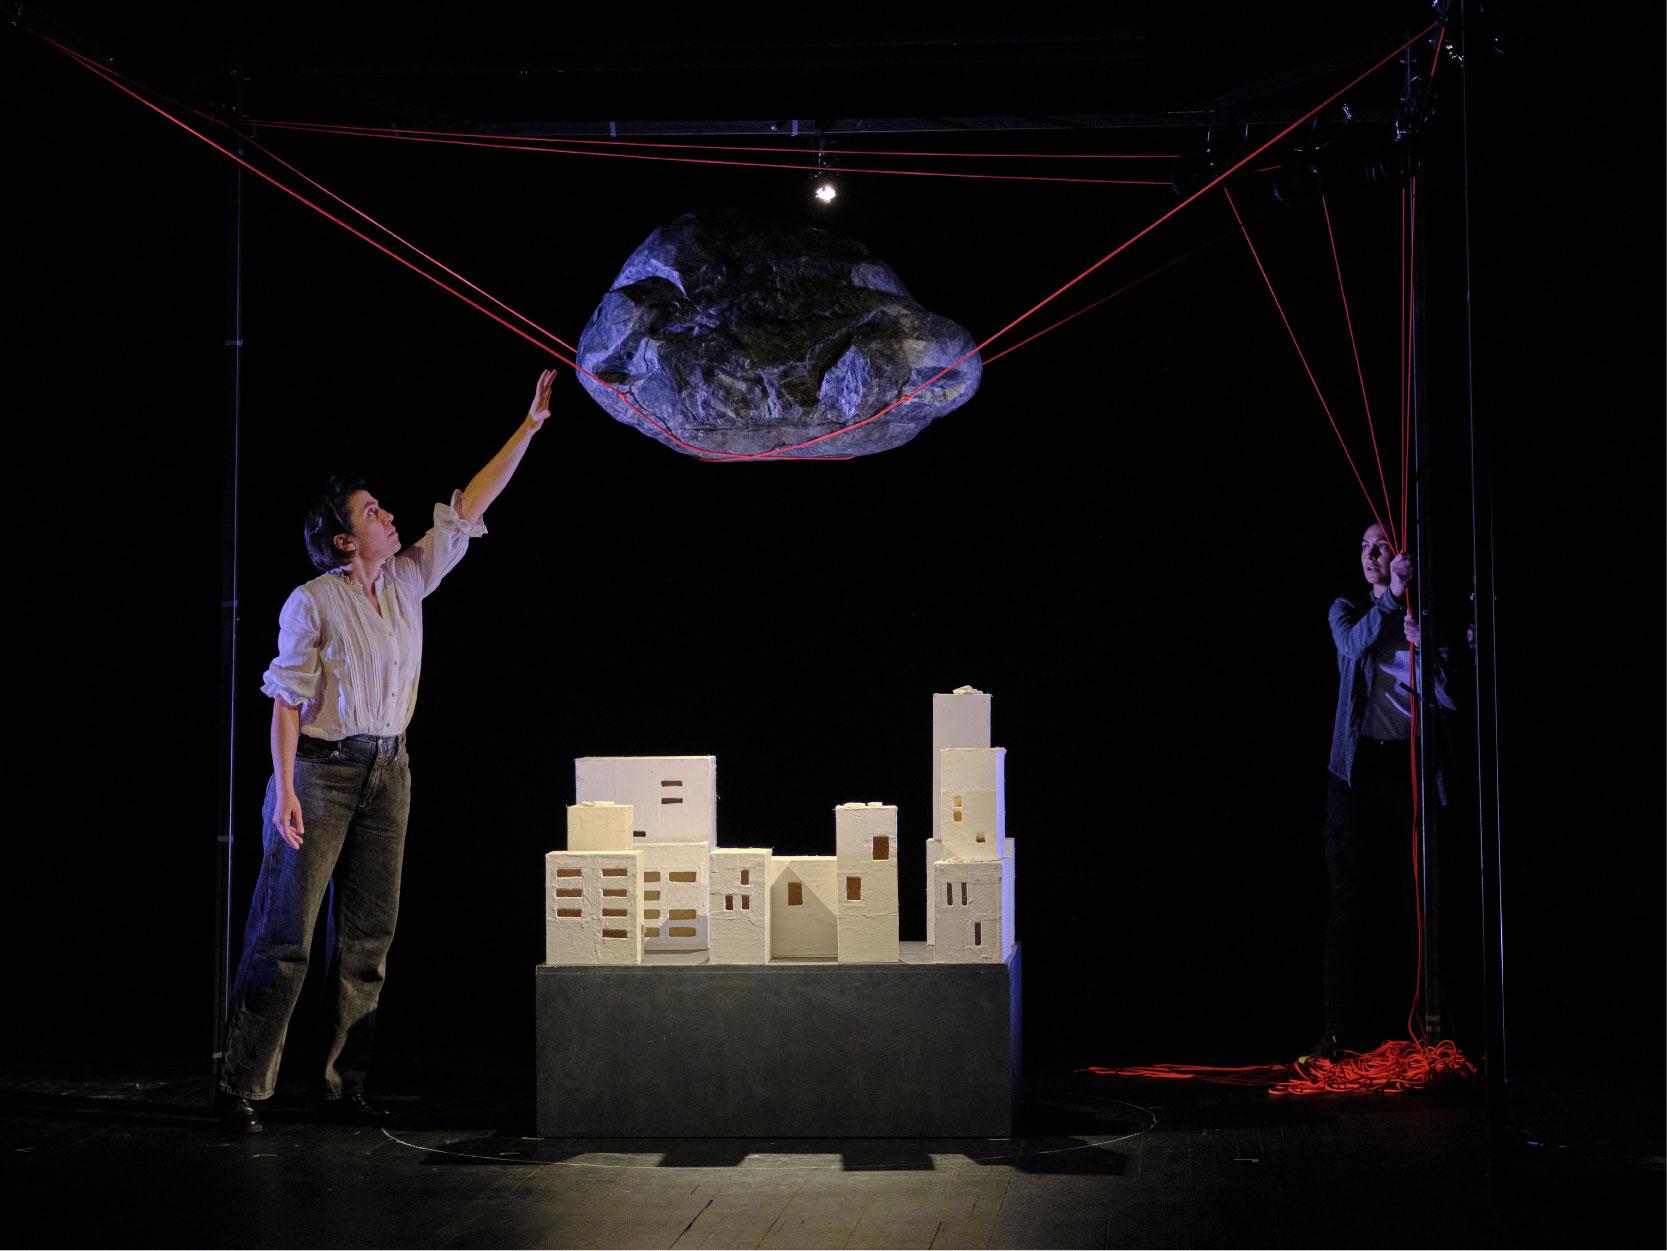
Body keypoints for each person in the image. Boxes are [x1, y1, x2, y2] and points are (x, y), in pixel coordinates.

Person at [215, 369, 558, 1133]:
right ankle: (241, 1083)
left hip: (389, 769)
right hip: (318, 773)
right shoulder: (312, 600)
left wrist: (528, 425)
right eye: (372, 512)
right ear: (344, 538)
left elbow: (468, 508)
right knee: (286, 934)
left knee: (367, 938)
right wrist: (285, 789)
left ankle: (341, 1084)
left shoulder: (407, 580)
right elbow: (286, 701)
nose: (389, 515)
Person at [1303, 521, 1454, 1062]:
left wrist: (1429, 647)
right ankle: (1338, 1031)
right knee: (1348, 899)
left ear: (1401, 554)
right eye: (1365, 547)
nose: (1370, 554)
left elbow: (1449, 698)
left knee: (1418, 896)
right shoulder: (1347, 609)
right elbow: (1352, 644)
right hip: (1355, 772)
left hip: (1406, 768)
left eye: (1381, 546)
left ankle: (1427, 1026)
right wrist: (1391, 597)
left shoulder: (1422, 616)